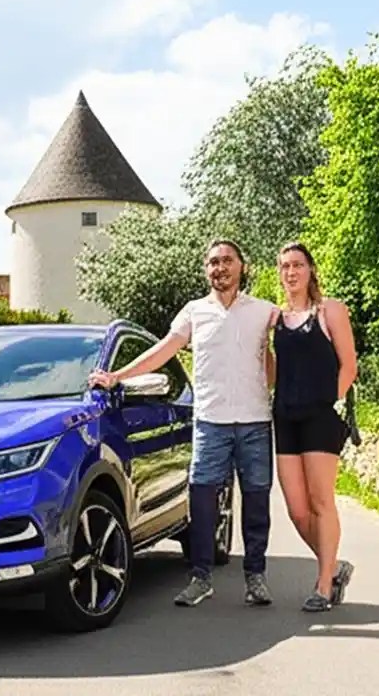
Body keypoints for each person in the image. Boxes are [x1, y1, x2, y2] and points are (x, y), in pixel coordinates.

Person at [88, 239, 278, 608]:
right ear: (206, 270)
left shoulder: (264, 312)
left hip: (255, 421)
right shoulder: (194, 312)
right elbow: (162, 351)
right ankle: (200, 578)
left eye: (227, 261)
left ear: (242, 266)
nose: (219, 268)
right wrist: (115, 376)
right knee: (202, 500)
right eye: (212, 262)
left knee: (256, 501)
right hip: (210, 422)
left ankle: (256, 578)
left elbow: (291, 344)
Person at [270, 241, 358, 612]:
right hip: (285, 417)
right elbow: (274, 376)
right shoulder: (275, 319)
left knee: (322, 503)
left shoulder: (330, 311)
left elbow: (349, 366)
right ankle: (335, 566)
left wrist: (328, 402)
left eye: (298, 265)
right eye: (285, 267)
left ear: (310, 270)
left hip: (320, 417)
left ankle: (323, 586)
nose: (291, 273)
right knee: (297, 510)